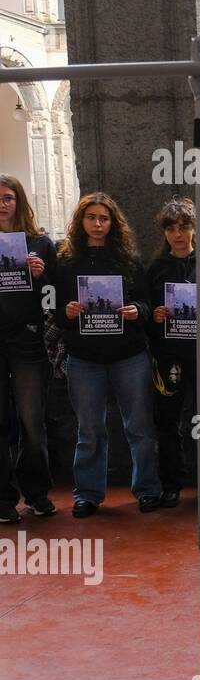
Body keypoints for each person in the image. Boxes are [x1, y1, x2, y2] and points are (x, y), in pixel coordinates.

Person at [55, 193, 162, 518]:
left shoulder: (128, 261)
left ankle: (147, 489)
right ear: (81, 222)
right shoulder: (67, 262)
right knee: (89, 431)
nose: (98, 223)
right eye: (92, 217)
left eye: (104, 218)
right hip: (84, 358)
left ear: (113, 223)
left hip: (128, 356)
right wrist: (68, 311)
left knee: (140, 428)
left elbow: (147, 305)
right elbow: (56, 313)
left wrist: (136, 311)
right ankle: (87, 494)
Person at [147, 197, 200, 506]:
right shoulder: (155, 270)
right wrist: (154, 317)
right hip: (169, 357)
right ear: (165, 233)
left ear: (194, 229)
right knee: (168, 421)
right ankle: (172, 484)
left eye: (184, 227)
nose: (178, 234)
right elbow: (146, 318)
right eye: (171, 228)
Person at [0, 175, 57, 522]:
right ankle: (3, 499)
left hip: (27, 339)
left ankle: (36, 493)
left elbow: (54, 294)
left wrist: (41, 275)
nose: (2, 204)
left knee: (33, 423)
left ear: (19, 201)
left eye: (8, 197)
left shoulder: (40, 243)